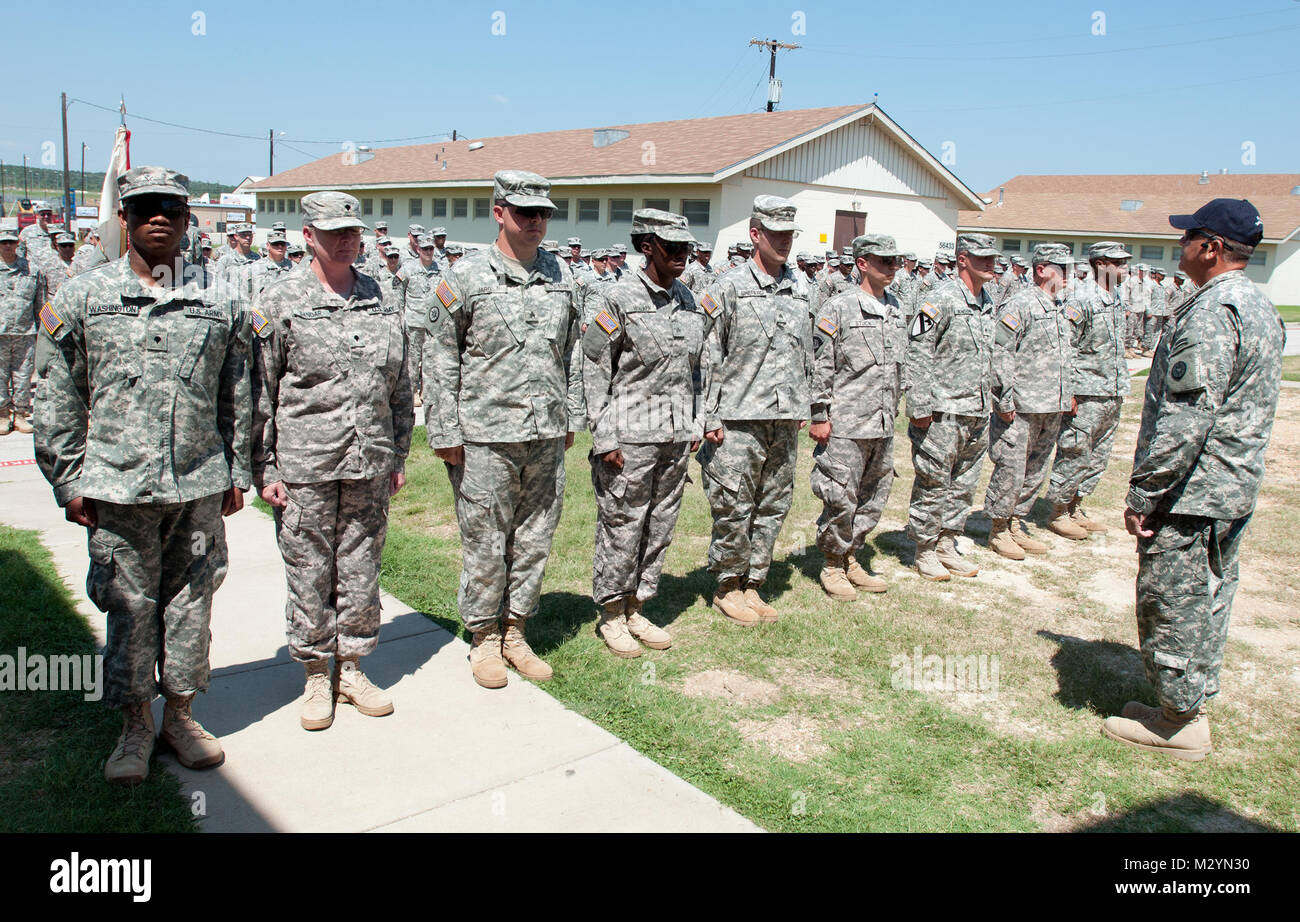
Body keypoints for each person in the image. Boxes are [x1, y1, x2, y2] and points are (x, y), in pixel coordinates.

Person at [34, 166, 250, 784]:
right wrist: (68, 479)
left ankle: (180, 716)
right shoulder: (83, 297)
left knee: (191, 602)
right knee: (128, 605)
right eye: (145, 207)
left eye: (172, 209)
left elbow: (237, 392)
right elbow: (54, 391)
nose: (159, 217)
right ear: (124, 219)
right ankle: (133, 724)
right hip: (116, 486)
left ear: (187, 221)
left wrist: (236, 468)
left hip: (197, 484)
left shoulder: (220, 300)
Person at [1103, 198, 1284, 761]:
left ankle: (1179, 722)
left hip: (1195, 490)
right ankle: (1188, 700)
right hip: (1230, 486)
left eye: (1187, 239)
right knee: (1209, 595)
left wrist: (1145, 494)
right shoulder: (1256, 304)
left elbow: (1187, 419)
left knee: (1172, 600)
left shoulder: (1212, 312)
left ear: (1210, 248)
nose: (1179, 248)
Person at [251, 191, 410, 731]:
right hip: (305, 464)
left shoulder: (382, 296)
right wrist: (267, 469)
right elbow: (261, 391)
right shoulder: (279, 301)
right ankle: (316, 673)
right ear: (308, 236)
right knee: (310, 571)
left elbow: (400, 387)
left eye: (353, 230)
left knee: (362, 569)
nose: (347, 238)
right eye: (334, 230)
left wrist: (398, 454)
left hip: (368, 461)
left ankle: (354, 668)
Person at [425, 170, 585, 688]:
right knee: (486, 539)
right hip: (485, 434)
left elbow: (573, 353)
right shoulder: (465, 278)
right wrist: (445, 429)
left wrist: (570, 416)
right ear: (499, 212)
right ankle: (483, 637)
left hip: (544, 432)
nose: (536, 222)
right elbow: (441, 354)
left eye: (543, 214)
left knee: (535, 536)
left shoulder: (562, 276)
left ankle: (516, 630)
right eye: (525, 212)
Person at [583, 209, 705, 656]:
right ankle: (612, 612)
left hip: (674, 436)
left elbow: (696, 369)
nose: (682, 257)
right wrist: (605, 436)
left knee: (660, 525)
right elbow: (594, 368)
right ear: (646, 246)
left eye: (686, 249)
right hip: (629, 437)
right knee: (623, 523)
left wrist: (696, 418)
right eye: (672, 248)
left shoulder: (689, 301)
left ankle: (639, 603)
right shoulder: (616, 298)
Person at [696, 195, 813, 625]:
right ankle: (727, 585)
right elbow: (707, 354)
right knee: (734, 503)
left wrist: (808, 404)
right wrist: (707, 416)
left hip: (784, 420)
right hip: (737, 419)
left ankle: (753, 582)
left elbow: (809, 354)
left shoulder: (803, 289)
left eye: (789, 235)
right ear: (755, 234)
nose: (784, 242)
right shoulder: (727, 287)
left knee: (773, 503)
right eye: (776, 233)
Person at [808, 234, 906, 599]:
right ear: (862, 263)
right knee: (840, 496)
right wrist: (819, 414)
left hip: (882, 421)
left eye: (895, 262)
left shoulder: (896, 307)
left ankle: (852, 556)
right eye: (884, 261)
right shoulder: (839, 307)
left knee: (874, 495)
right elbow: (822, 365)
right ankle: (832, 563)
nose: (892, 268)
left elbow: (900, 364)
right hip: (846, 422)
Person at [903, 233, 997, 581]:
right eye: (982, 257)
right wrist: (920, 403)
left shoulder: (988, 301)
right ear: (962, 259)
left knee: (964, 483)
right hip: (942, 411)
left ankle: (947, 542)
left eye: (992, 258)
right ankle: (924, 549)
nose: (990, 264)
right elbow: (918, 350)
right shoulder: (939, 299)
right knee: (934, 481)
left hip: (977, 408)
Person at [983, 244, 1077, 560]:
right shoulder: (1019, 304)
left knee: (1036, 467)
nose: (1067, 275)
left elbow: (1065, 355)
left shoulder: (1059, 306)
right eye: (1060, 268)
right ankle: (998, 528)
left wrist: (1069, 393)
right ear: (1041, 270)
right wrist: (1003, 399)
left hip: (1051, 403)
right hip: (1022, 404)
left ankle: (1016, 522)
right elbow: (1002, 352)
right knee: (1011, 467)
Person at [1045, 241, 1131, 536]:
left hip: (1112, 389)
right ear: (1099, 264)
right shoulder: (1080, 299)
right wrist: (1068, 390)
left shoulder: (1117, 297)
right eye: (1118, 263)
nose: (1124, 268)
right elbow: (1066, 347)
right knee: (1075, 449)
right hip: (1086, 391)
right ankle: (1058, 509)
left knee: (1099, 454)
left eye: (1124, 262)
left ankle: (1075, 504)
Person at [1, 223, 46, 435]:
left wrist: (46, 331)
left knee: (23, 376)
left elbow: (41, 304)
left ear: (18, 244)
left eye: (11, 242)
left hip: (25, 333)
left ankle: (20, 414)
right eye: (3, 242)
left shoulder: (32, 271)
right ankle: (2, 414)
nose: (7, 246)